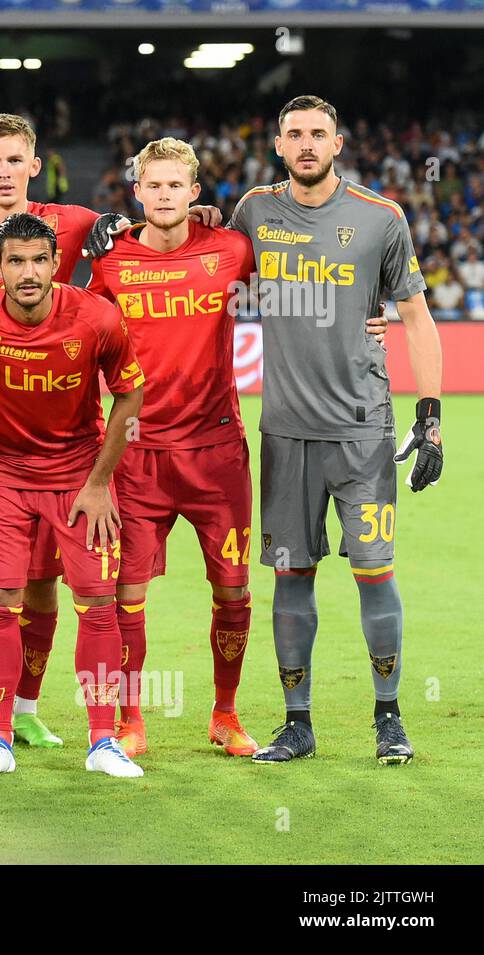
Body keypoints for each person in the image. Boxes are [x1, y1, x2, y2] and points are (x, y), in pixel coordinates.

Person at [229, 96, 443, 765]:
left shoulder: (382, 218)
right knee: (291, 577)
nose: (306, 144)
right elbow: (203, 260)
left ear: (339, 143)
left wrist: (430, 417)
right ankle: (297, 724)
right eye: (294, 134)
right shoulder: (254, 211)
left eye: (318, 133)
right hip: (286, 433)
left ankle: (389, 718)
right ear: (278, 145)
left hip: (362, 433)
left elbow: (415, 316)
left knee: (375, 573)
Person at [0, 212, 146, 780]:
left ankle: (103, 740)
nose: (29, 272)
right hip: (1, 479)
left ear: (56, 264)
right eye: (16, 261)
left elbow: (129, 396)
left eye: (40, 260)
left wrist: (98, 484)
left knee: (98, 603)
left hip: (77, 481)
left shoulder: (95, 318)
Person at [87, 137, 259, 757]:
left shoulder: (232, 250)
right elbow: (82, 340)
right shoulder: (111, 264)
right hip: (137, 456)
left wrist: (373, 313)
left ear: (194, 193)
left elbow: (305, 281)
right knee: (126, 594)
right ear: (137, 192)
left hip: (218, 456)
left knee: (233, 590)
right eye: (151, 185)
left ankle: (225, 713)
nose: (163, 195)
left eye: (174, 186)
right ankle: (131, 720)